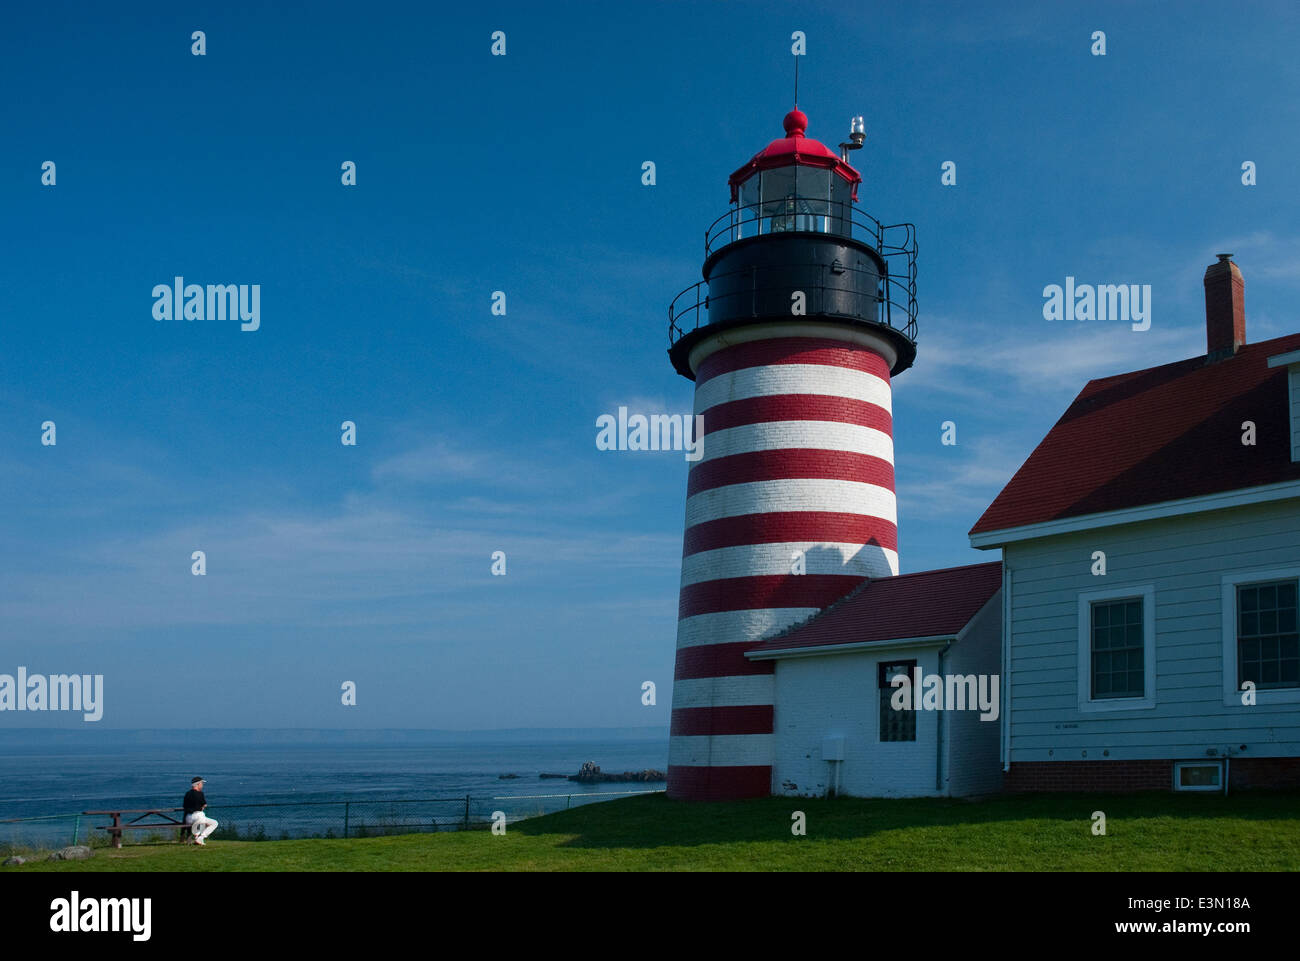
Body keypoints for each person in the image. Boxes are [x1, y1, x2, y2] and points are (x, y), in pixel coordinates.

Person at [183, 776, 218, 845]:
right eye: (202, 783)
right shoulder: (200, 793)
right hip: (197, 816)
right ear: (198, 784)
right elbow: (204, 805)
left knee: (208, 822)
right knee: (211, 822)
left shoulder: (187, 793)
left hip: (188, 818)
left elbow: (185, 806)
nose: (202, 785)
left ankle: (197, 838)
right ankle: (200, 838)